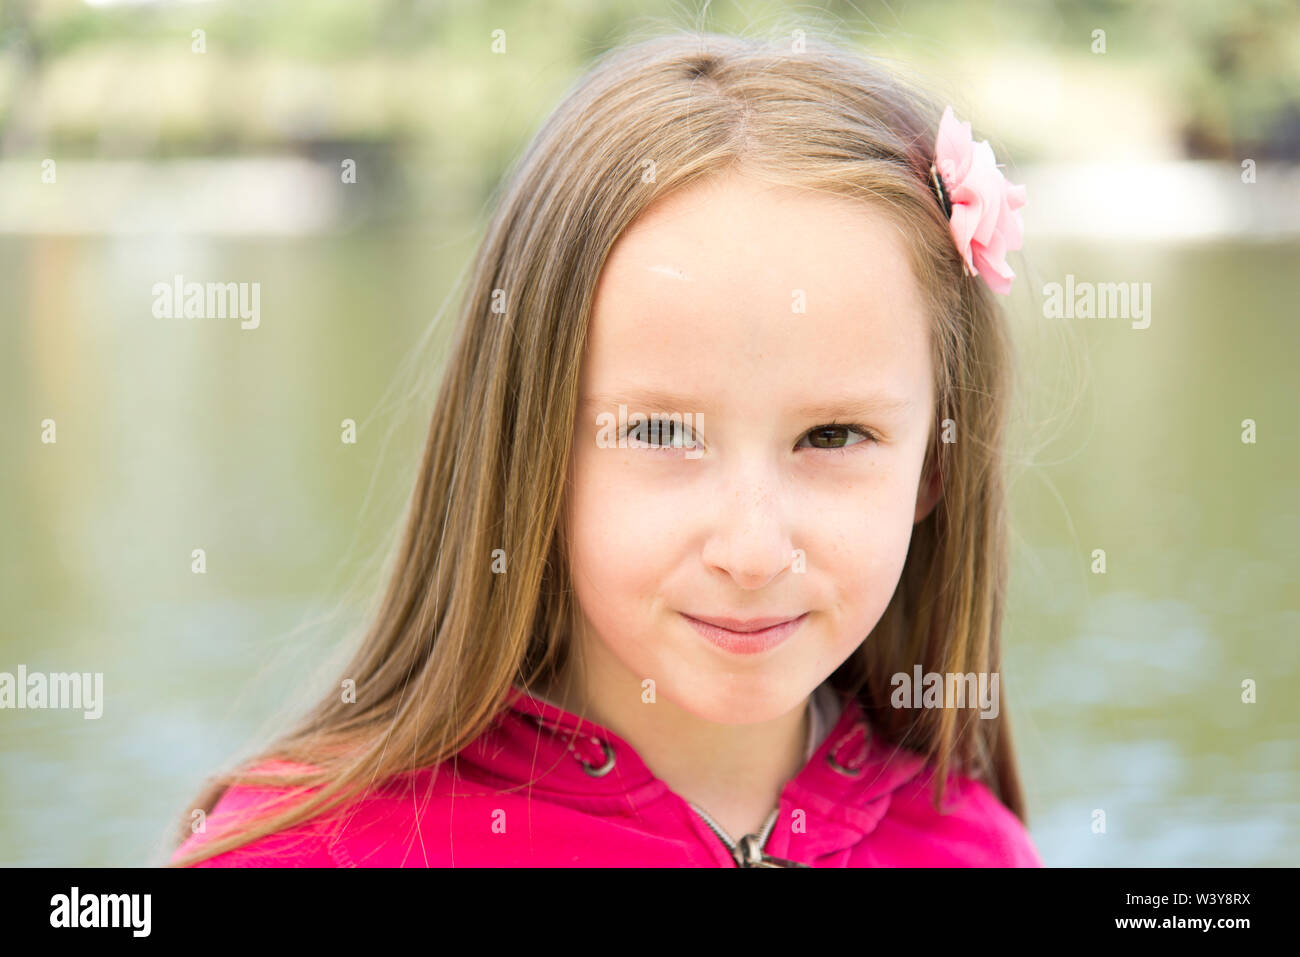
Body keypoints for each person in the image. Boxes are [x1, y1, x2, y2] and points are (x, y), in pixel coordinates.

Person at [169, 28, 1039, 868]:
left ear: (938, 462)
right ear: (528, 441)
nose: (751, 549)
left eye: (835, 435)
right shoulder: (305, 854)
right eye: (660, 431)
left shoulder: (977, 850)